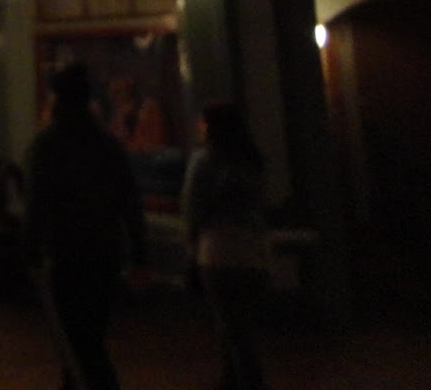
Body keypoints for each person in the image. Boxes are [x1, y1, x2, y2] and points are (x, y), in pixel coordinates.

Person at [19, 62, 149, 390]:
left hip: (65, 254)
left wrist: (30, 251)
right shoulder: (108, 147)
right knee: (89, 334)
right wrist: (140, 256)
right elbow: (130, 205)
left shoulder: (46, 146)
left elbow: (36, 203)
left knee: (76, 341)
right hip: (105, 253)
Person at [181, 101, 272, 390]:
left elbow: (192, 206)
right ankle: (237, 377)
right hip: (253, 248)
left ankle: (243, 378)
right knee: (242, 323)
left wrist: (190, 244)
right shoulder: (251, 161)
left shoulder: (204, 161)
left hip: (217, 248)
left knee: (227, 323)